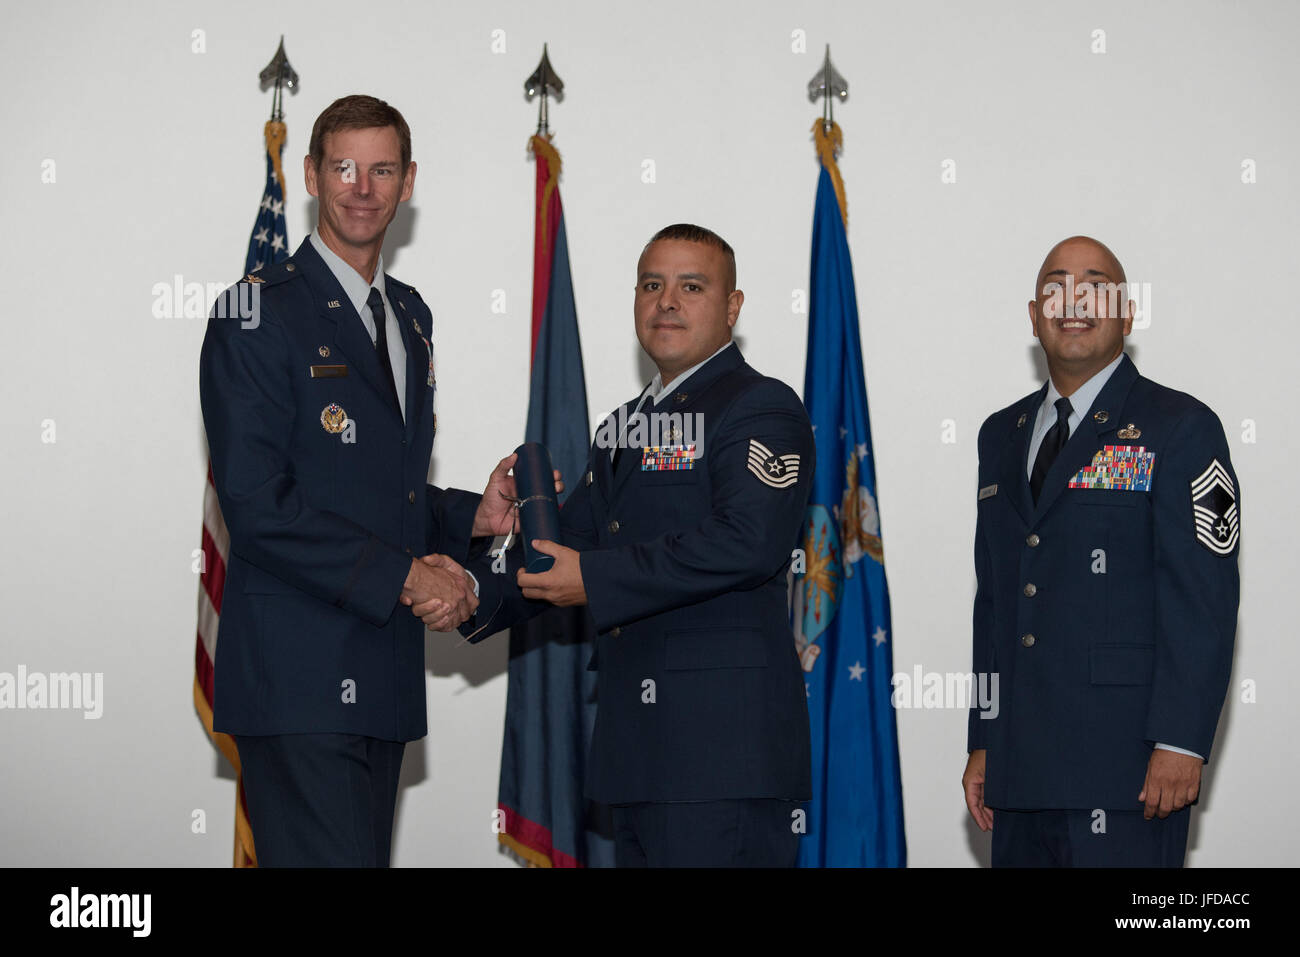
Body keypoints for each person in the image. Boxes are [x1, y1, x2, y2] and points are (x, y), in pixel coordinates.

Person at [200, 94, 522, 866]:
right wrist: (408, 576)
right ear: (312, 174)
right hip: (298, 675)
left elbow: (381, 488)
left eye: (382, 169)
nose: (362, 186)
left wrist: (469, 516)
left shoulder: (410, 316)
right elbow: (258, 505)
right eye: (343, 166)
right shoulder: (254, 312)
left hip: (381, 676)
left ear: (408, 182)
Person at [453, 224, 814, 866]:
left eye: (691, 286)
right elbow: (562, 552)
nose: (666, 301)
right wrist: (468, 588)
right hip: (638, 758)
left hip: (720, 759)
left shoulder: (761, 406)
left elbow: (748, 541)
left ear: (733, 307)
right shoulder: (624, 425)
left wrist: (593, 579)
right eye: (652, 285)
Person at [961, 236, 1241, 867]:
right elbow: (995, 607)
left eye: (1095, 284)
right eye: (1055, 286)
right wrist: (984, 738)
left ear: (1128, 312)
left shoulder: (1180, 427)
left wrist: (1181, 742)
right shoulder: (999, 435)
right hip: (1020, 773)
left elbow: (1203, 600)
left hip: (1130, 773)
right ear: (1034, 316)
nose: (1074, 300)